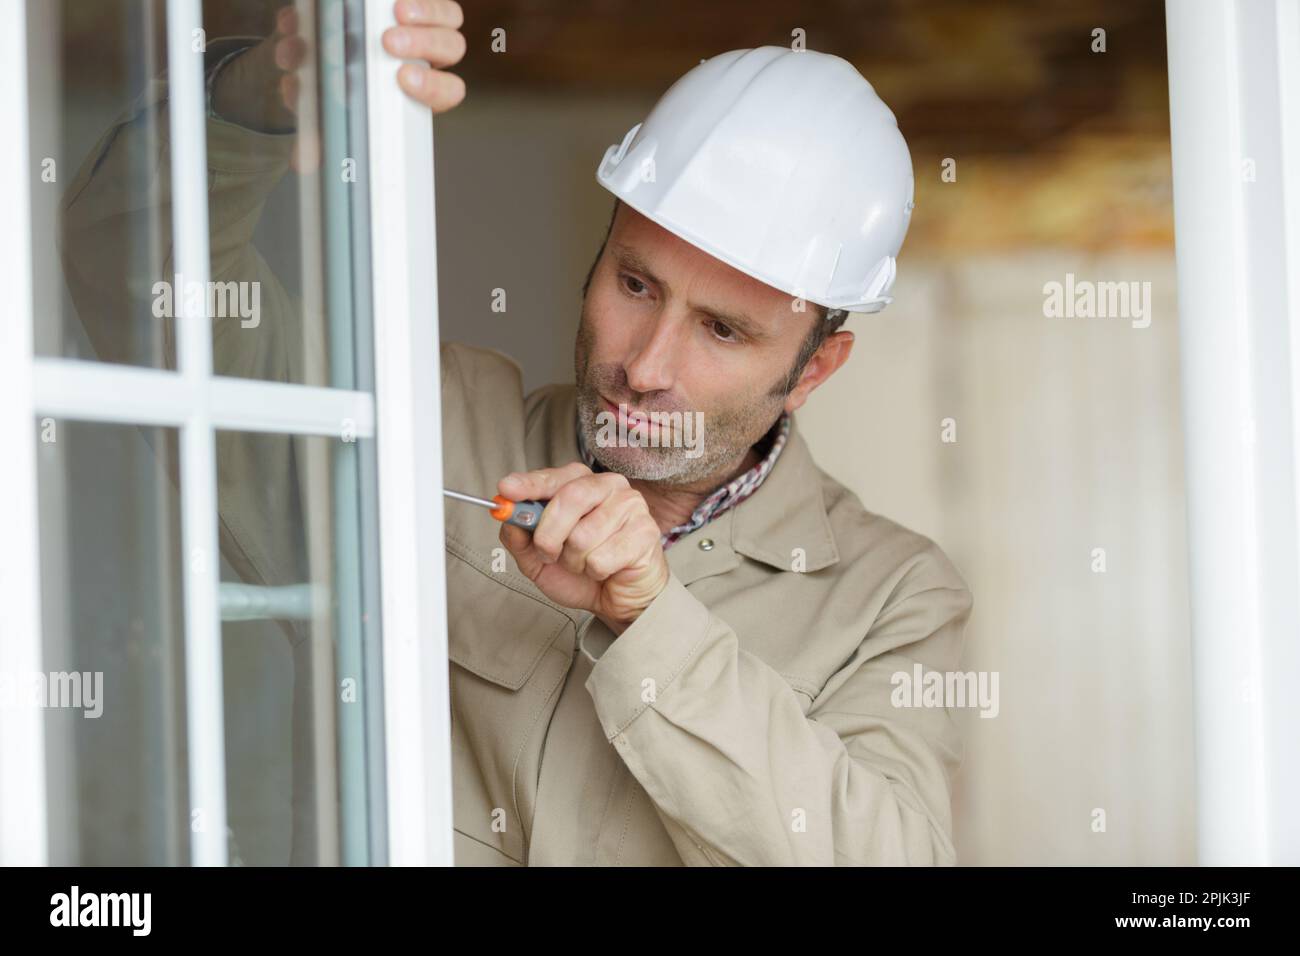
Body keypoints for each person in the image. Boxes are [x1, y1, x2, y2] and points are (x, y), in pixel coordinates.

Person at [63, 0, 972, 865]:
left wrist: (653, 619)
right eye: (636, 284)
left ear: (813, 369)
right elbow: (134, 274)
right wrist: (264, 96)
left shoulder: (891, 598)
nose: (647, 365)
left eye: (722, 330)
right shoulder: (424, 421)